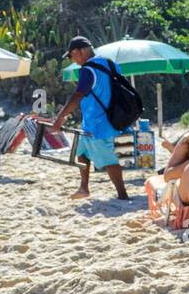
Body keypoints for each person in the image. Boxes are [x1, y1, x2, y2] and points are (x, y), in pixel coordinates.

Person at [49, 36, 130, 201]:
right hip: (106, 120)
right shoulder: (110, 63)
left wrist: (59, 118)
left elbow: (78, 95)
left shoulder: (88, 69)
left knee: (110, 161)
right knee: (82, 153)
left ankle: (123, 195)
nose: (73, 59)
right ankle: (84, 187)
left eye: (72, 55)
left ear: (79, 51)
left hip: (100, 124)